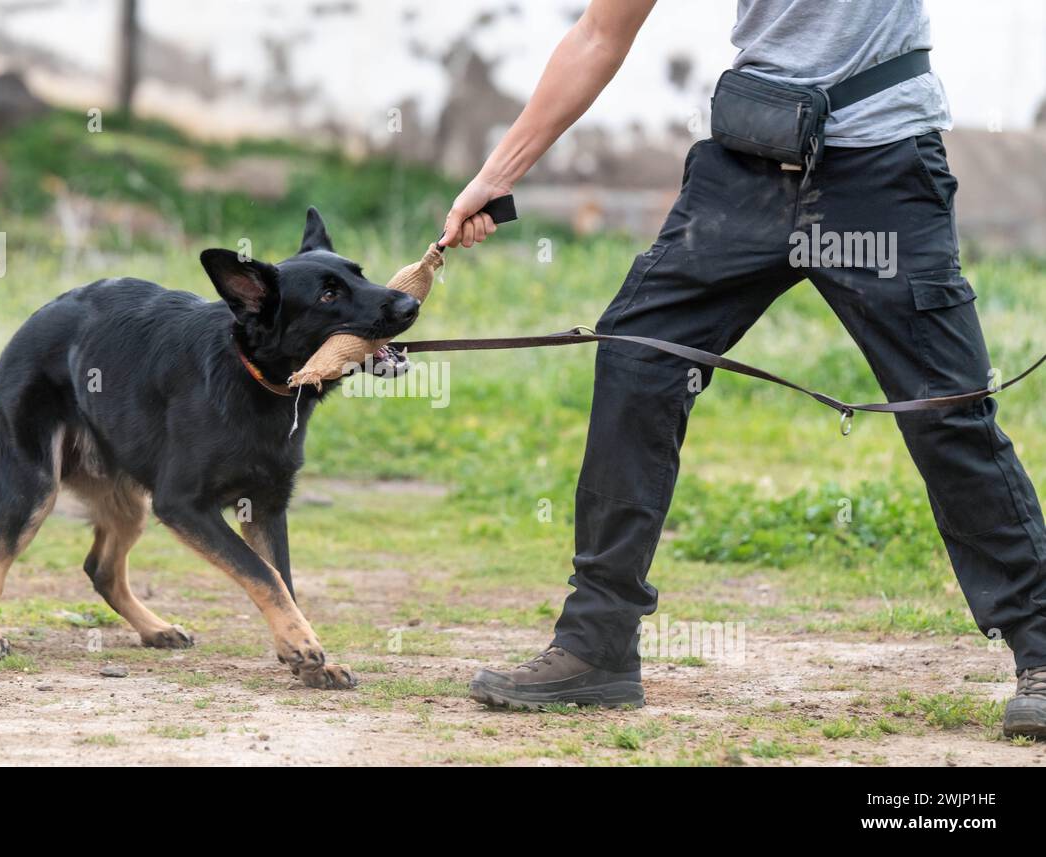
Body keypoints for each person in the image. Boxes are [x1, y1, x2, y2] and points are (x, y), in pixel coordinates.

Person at [441, 0, 1046, 738]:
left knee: (946, 410)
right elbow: (600, 31)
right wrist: (497, 174)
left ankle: (1042, 647)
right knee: (638, 356)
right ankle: (597, 643)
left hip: (882, 168)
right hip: (745, 169)